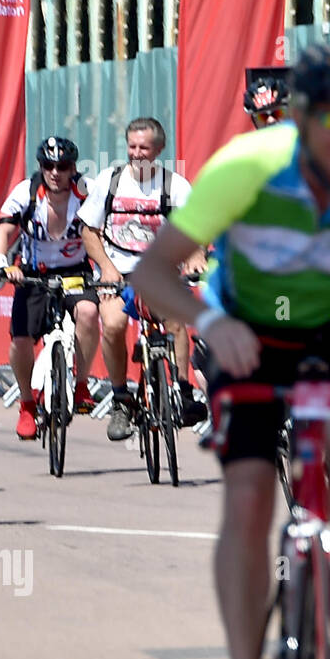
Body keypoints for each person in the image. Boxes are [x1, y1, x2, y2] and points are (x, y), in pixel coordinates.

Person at [127, 43, 330, 659]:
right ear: (299, 118)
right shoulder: (248, 165)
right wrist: (211, 322)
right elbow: (153, 274)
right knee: (248, 500)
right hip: (249, 333)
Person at [76, 117, 208, 440]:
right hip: (117, 271)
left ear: (159, 150)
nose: (137, 154)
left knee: (176, 320)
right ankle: (121, 399)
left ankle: (183, 390)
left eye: (144, 148)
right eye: (132, 147)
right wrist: (106, 267)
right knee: (114, 324)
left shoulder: (175, 185)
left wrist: (195, 255)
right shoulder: (110, 180)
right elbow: (89, 231)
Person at [0, 137, 103, 439]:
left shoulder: (87, 191)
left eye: (63, 167)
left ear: (73, 169)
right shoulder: (26, 192)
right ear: (41, 167)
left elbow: (105, 229)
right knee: (22, 342)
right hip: (32, 272)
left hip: (75, 270)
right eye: (48, 166)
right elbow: (2, 229)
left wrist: (108, 267)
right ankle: (27, 404)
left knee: (89, 313)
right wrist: (2, 264)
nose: (55, 172)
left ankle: (81, 384)